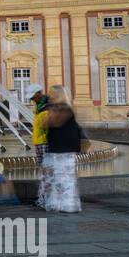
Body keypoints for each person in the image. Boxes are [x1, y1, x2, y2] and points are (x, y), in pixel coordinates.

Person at [37, 85, 87, 213]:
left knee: (64, 179)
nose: (49, 96)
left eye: (52, 94)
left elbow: (54, 122)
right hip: (56, 148)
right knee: (54, 177)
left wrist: (49, 114)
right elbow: (46, 124)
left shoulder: (65, 109)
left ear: (59, 95)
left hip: (64, 150)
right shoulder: (57, 108)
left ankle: (67, 205)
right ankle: (55, 204)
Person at [27, 84, 49, 162]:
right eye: (31, 98)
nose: (32, 99)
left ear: (39, 93)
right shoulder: (38, 106)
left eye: (33, 97)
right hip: (39, 141)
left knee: (47, 166)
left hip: (45, 142)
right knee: (42, 167)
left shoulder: (47, 105)